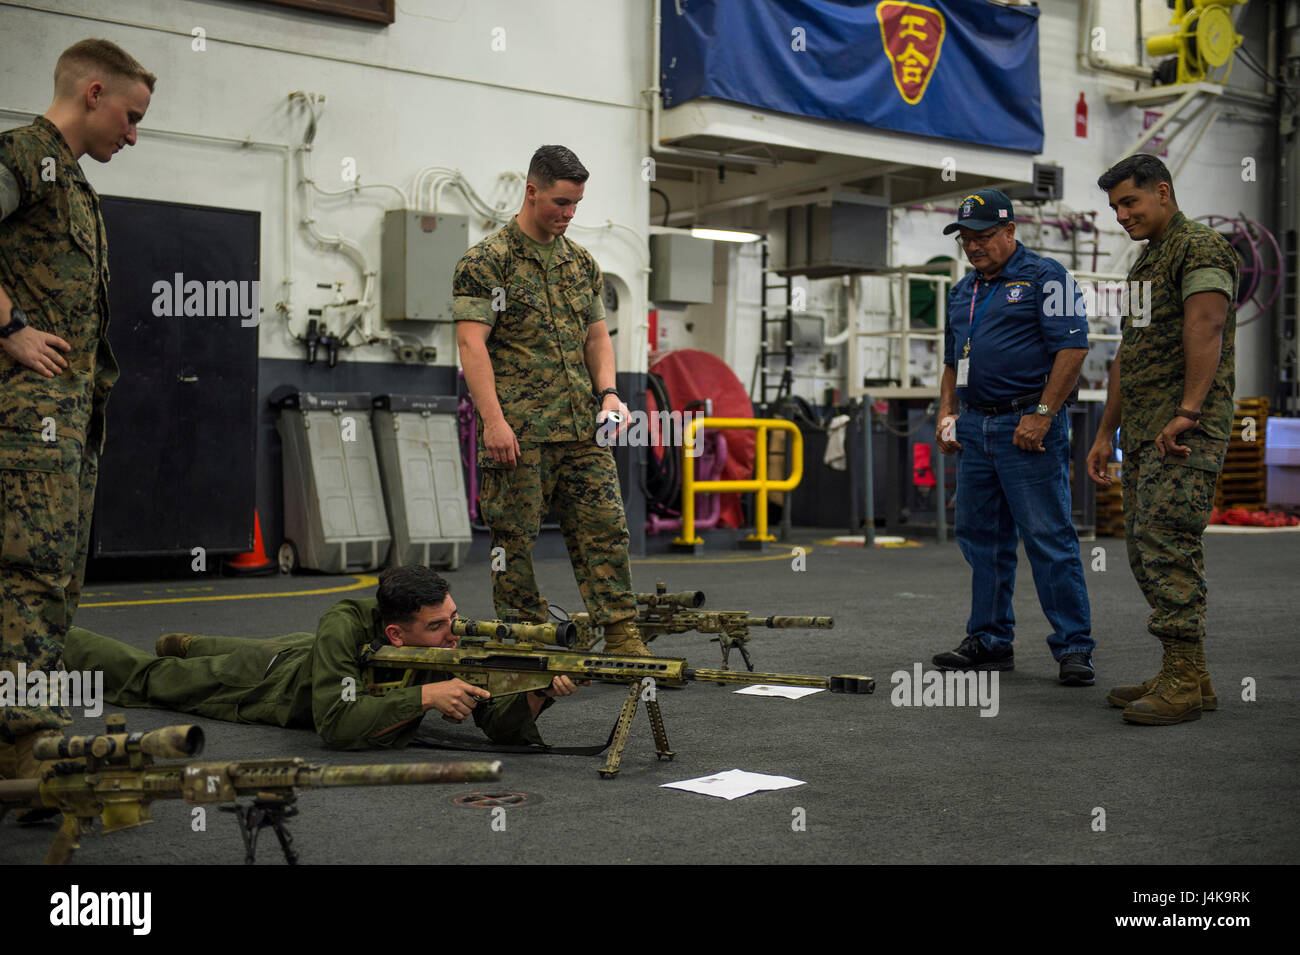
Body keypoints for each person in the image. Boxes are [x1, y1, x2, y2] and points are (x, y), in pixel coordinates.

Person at [0, 39, 154, 786]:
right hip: (25, 424)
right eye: (130, 116)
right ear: (93, 92)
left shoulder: (72, 184)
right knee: (28, 577)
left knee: (54, 583)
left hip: (65, 427)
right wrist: (10, 328)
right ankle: (29, 743)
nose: (133, 134)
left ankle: (20, 742)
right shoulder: (27, 156)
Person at [454, 144, 647, 655]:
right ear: (531, 190)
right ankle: (523, 641)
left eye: (577, 204)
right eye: (561, 202)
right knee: (513, 541)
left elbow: (597, 337)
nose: (569, 214)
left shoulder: (581, 264)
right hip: (518, 432)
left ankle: (623, 636)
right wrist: (493, 423)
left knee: (606, 530)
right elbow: (471, 345)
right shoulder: (485, 262)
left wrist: (608, 393)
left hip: (582, 429)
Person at [60, 566, 581, 749]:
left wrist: (535, 694)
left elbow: (500, 725)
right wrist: (424, 694)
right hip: (271, 681)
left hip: (302, 653)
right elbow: (335, 723)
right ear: (396, 635)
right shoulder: (345, 621)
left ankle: (193, 642)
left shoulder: (448, 638)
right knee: (155, 680)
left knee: (222, 649)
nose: (454, 632)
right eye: (438, 626)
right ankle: (52, 638)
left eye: (454, 617)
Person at [1086, 154, 1236, 726]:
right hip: (1147, 430)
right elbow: (1130, 352)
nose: (1122, 215)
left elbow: (1208, 325)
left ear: (1163, 192)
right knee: (1144, 548)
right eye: (1115, 207)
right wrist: (1106, 432)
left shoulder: (1200, 247)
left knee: (1169, 542)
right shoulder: (1146, 264)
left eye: (1130, 202)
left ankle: (1181, 675)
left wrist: (1190, 410)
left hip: (1185, 429)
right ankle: (1191, 677)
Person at [933, 189, 1095, 685]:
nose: (974, 247)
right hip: (976, 430)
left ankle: (1073, 648)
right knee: (982, 539)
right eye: (966, 239)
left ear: (1010, 231)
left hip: (1028, 426)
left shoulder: (1049, 277)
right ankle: (989, 640)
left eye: (983, 236)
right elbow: (950, 361)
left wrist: (1043, 414)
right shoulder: (963, 291)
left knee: (1048, 536)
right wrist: (946, 412)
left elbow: (1073, 349)